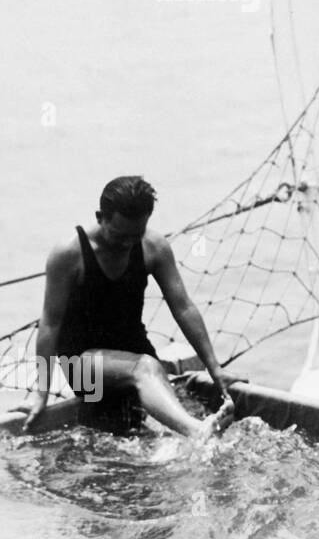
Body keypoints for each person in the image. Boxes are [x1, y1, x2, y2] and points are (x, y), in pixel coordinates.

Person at [20, 176, 235, 438]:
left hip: (135, 352)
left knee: (154, 394)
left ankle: (190, 431)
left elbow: (183, 308)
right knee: (146, 368)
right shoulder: (68, 254)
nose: (127, 244)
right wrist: (41, 394)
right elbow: (49, 325)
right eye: (120, 235)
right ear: (101, 217)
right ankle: (198, 432)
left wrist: (214, 368)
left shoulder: (154, 247)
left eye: (136, 235)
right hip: (83, 366)